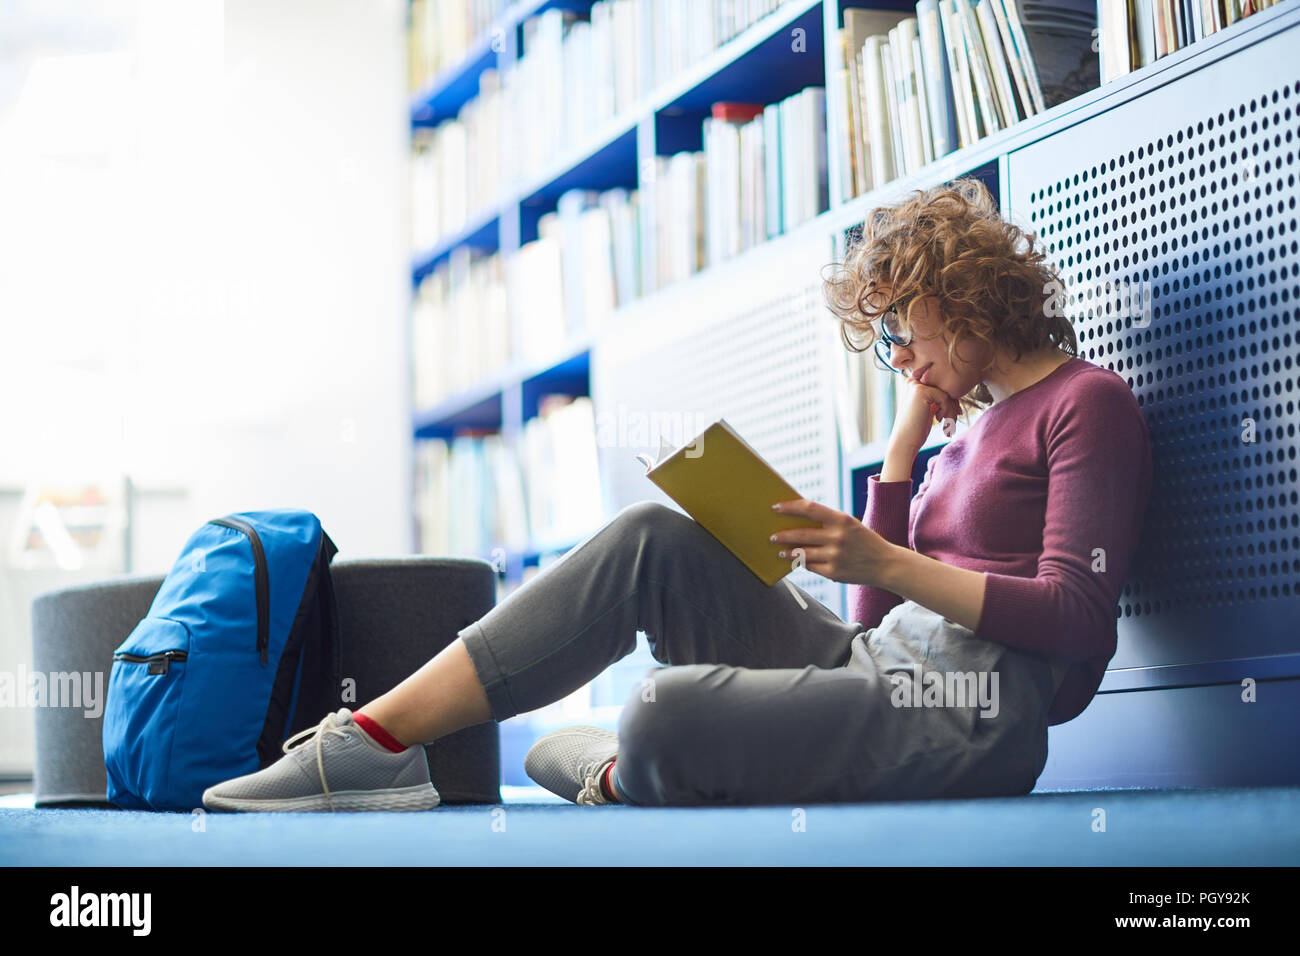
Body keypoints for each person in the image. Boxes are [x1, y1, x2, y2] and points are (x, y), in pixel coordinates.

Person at [201, 177, 1153, 812]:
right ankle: (370, 741)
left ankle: (619, 766)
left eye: (905, 329)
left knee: (659, 708)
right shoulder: (958, 429)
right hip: (881, 667)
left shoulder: (1087, 403)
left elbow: (1076, 621)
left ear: (970, 293)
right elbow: (871, 625)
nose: (901, 357)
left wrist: (887, 557)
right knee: (655, 535)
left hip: (969, 716)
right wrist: (902, 456)